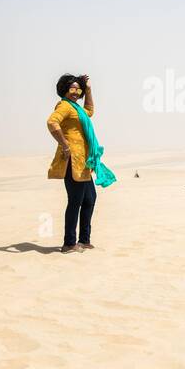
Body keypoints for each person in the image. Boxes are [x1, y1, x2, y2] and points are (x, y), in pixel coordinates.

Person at [47, 74, 116, 253]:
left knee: (89, 200)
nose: (76, 92)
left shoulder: (76, 108)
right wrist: (65, 145)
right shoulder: (64, 106)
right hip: (72, 161)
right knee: (75, 202)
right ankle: (69, 243)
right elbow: (52, 122)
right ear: (64, 90)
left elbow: (90, 111)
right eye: (72, 89)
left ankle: (84, 240)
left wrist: (89, 89)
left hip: (83, 163)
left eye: (79, 89)